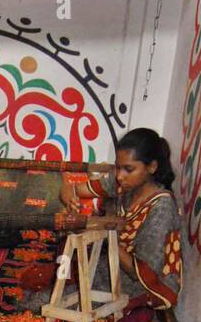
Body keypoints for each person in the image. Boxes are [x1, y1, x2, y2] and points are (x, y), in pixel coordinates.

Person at [62, 127, 183, 312]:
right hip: (115, 263)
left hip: (144, 286)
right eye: (118, 167)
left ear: (152, 167)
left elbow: (141, 273)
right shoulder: (123, 183)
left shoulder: (162, 207)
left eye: (129, 169)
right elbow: (71, 188)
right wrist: (70, 200)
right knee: (62, 268)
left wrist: (103, 234)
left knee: (58, 296)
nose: (119, 175)